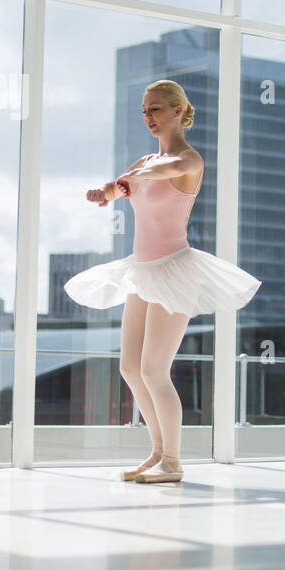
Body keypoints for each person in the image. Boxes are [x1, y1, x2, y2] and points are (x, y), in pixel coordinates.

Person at [64, 80, 261, 483]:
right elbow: (121, 185)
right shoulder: (141, 162)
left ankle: (174, 461)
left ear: (176, 111)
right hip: (142, 269)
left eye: (154, 109)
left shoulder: (189, 161)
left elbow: (162, 170)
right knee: (130, 369)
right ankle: (157, 452)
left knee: (155, 370)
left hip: (175, 269)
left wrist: (124, 181)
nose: (148, 117)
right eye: (143, 111)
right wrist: (107, 192)